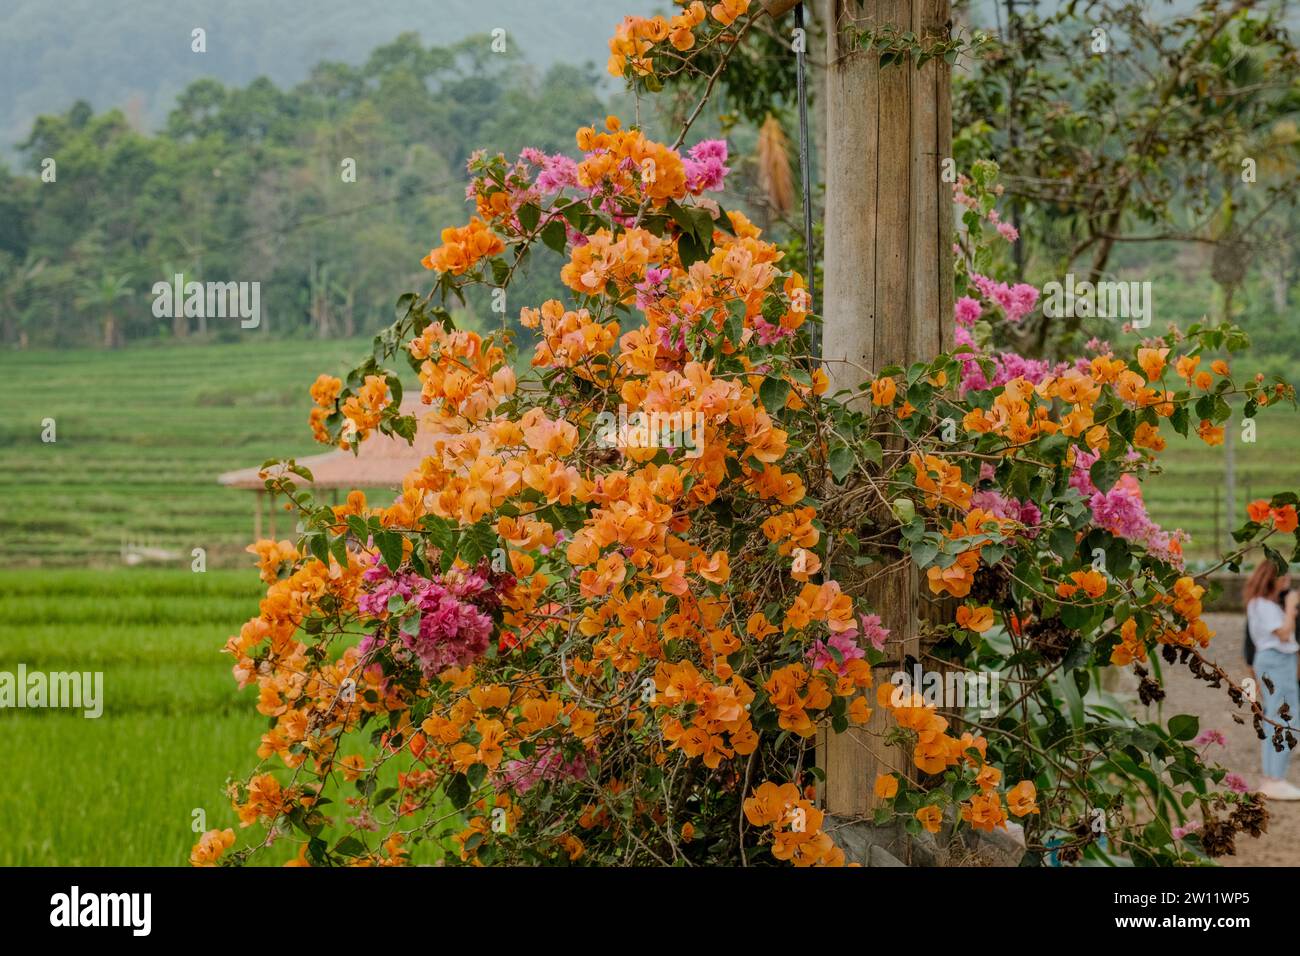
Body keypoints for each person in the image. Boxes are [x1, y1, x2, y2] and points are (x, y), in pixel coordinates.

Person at [1246, 561, 1300, 799]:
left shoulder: (1260, 605)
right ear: (1274, 579)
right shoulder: (1264, 605)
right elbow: (1285, 633)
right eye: (1285, 579)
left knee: (1274, 717)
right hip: (1276, 661)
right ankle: (1275, 778)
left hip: (1277, 661)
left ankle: (1271, 777)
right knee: (1286, 717)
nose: (1287, 584)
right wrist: (1290, 608)